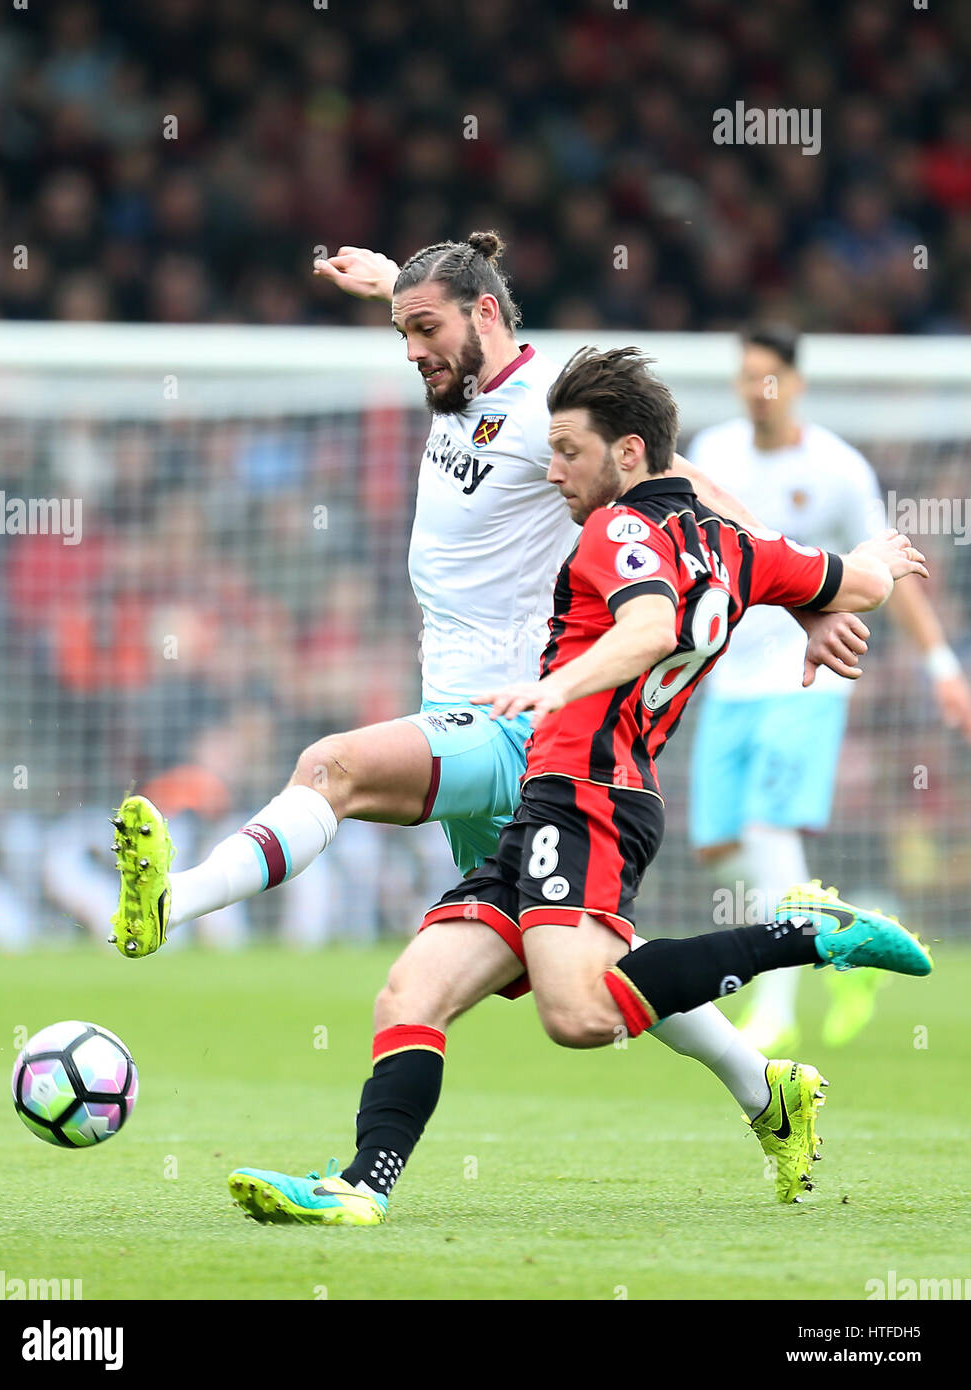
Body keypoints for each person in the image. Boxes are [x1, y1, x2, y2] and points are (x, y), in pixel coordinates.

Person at [109, 235, 863, 1199]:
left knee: (331, 768)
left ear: (486, 317)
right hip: (482, 731)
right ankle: (767, 1093)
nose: (413, 349)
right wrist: (394, 285)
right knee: (577, 974)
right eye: (402, 333)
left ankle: (171, 903)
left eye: (425, 330)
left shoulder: (551, 407)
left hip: (522, 719)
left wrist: (806, 595)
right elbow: (438, 311)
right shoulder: (463, 368)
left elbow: (699, 498)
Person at [226, 346, 932, 1226]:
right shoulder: (745, 549)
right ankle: (357, 1190)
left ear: (628, 454)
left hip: (590, 792)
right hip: (552, 798)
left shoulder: (617, 529)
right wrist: (874, 562)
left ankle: (807, 933)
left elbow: (644, 626)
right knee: (412, 993)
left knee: (581, 1014)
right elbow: (853, 584)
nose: (552, 470)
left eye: (567, 450)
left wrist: (555, 685)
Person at [685, 325, 971, 1051]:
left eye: (768, 376)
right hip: (727, 677)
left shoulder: (836, 469)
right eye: (745, 376)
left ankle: (777, 1001)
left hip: (810, 674)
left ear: (795, 383)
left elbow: (888, 572)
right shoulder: (714, 455)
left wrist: (941, 665)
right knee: (718, 845)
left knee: (763, 827)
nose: (756, 390)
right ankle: (847, 937)